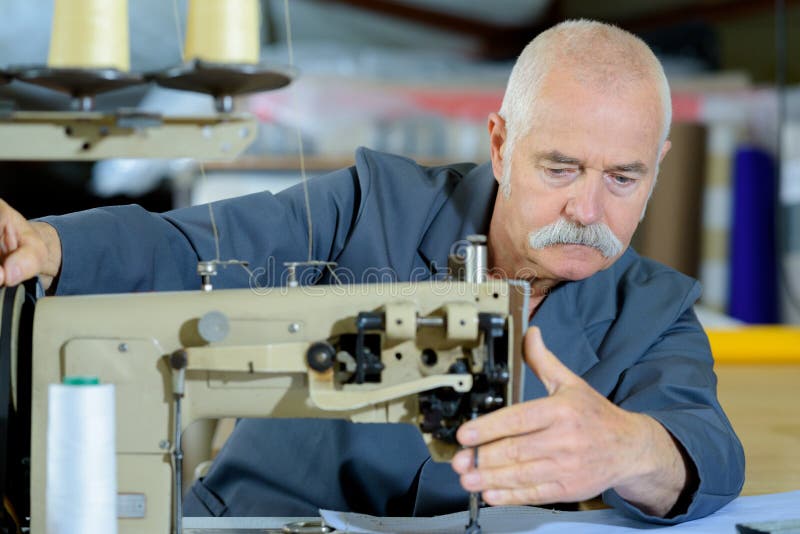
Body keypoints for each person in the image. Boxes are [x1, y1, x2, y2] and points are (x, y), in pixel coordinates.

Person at [0, 19, 743, 524]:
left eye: (624, 178)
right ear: (500, 144)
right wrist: (50, 243)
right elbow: (199, 247)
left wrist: (634, 448)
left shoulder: (654, 311)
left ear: (658, 169)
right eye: (560, 167)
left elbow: (706, 446)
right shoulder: (371, 205)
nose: (587, 208)